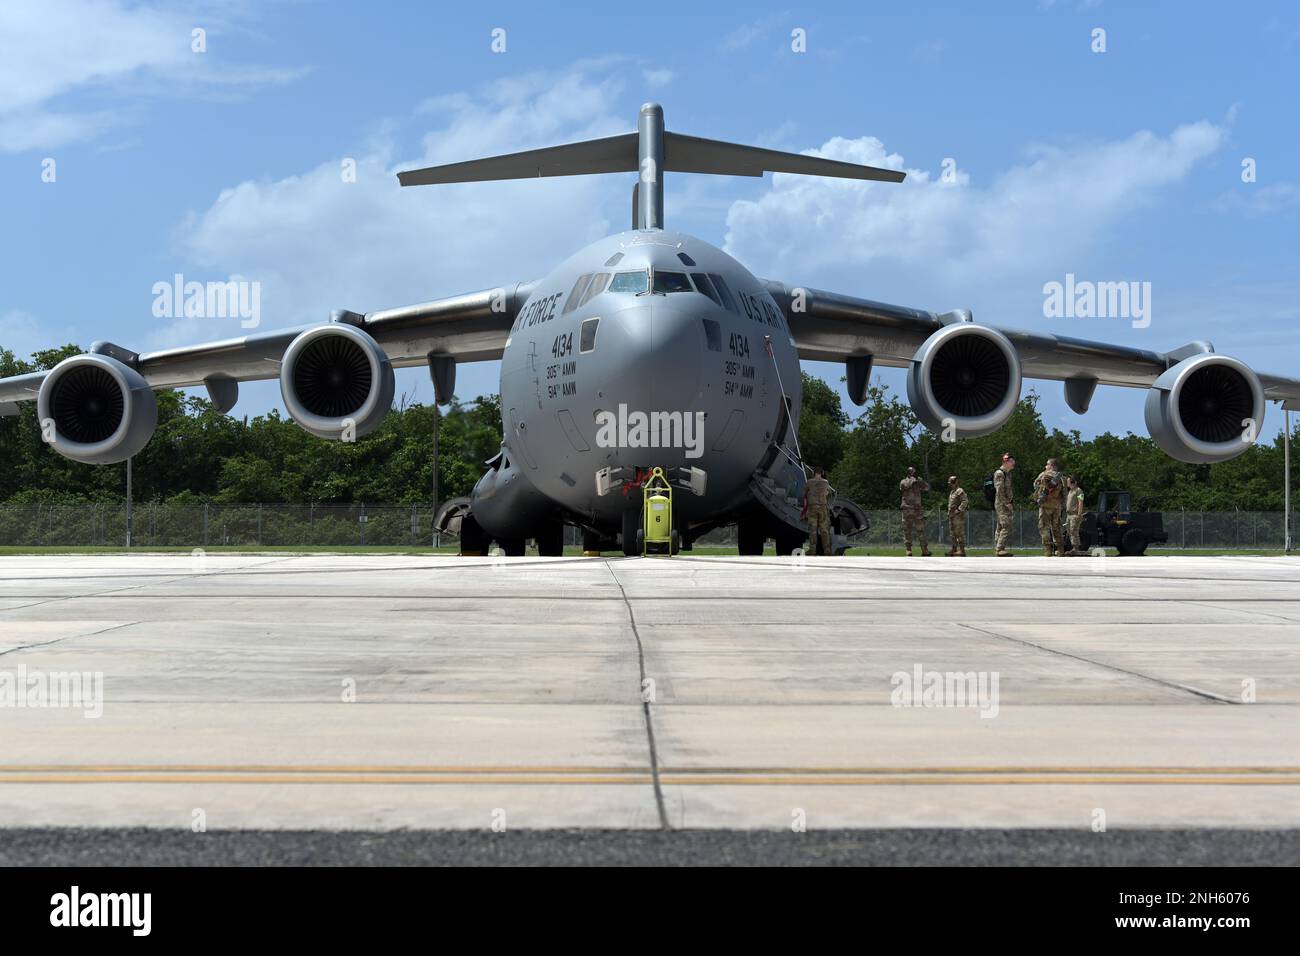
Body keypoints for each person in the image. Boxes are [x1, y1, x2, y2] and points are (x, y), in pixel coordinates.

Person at [1033, 458, 1066, 557]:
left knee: (1044, 527)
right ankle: (1060, 549)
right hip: (1057, 506)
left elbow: (1035, 485)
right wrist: (1062, 505)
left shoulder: (1043, 474)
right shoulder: (1062, 477)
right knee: (1056, 527)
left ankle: (1048, 550)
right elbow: (1065, 494)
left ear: (1051, 465)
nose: (1045, 466)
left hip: (1045, 505)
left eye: (1047, 464)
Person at [899, 466, 931, 556]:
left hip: (917, 510)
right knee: (907, 530)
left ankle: (925, 550)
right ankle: (908, 549)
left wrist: (920, 481)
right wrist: (913, 480)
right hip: (907, 509)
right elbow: (904, 487)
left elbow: (927, 488)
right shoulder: (903, 481)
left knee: (921, 530)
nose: (914, 473)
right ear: (908, 473)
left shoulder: (918, 481)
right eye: (912, 472)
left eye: (914, 472)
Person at [802, 466, 833, 556]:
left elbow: (803, 494)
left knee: (813, 530)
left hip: (812, 508)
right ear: (822, 473)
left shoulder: (809, 482)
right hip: (823, 507)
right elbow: (828, 493)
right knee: (824, 530)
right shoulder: (825, 482)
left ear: (814, 473)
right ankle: (827, 551)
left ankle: (812, 551)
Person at [993, 454, 1016, 556]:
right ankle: (1000, 548)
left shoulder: (1008, 474)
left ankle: (998, 548)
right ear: (1006, 462)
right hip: (1002, 503)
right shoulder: (1000, 474)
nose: (1013, 463)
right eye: (1012, 462)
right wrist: (1007, 503)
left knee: (1000, 526)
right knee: (1006, 525)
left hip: (1005, 503)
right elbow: (999, 491)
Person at [946, 475, 968, 557]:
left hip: (958, 516)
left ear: (955, 483)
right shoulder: (952, 492)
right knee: (952, 533)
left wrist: (959, 510)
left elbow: (965, 501)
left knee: (959, 533)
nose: (950, 484)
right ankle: (954, 549)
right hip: (952, 516)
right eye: (949, 483)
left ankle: (962, 550)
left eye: (951, 483)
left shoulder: (959, 491)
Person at [1064, 476, 1085, 556]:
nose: (1068, 483)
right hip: (1069, 515)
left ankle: (1075, 548)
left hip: (1075, 514)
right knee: (1069, 531)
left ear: (1074, 482)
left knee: (1074, 530)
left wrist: (1079, 514)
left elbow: (1080, 502)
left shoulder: (1079, 491)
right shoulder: (1070, 491)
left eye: (1069, 482)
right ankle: (1073, 546)